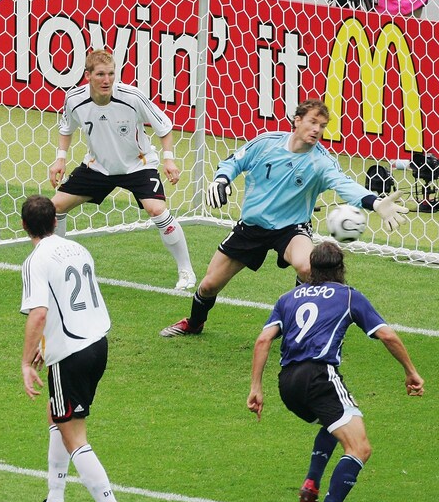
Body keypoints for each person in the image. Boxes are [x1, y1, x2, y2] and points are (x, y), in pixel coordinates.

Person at [160, 98, 409, 337]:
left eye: (322, 126)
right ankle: (194, 324)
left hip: (291, 229)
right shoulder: (266, 143)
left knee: (307, 267)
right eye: (312, 122)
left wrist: (375, 203)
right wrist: (221, 179)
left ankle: (296, 321)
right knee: (208, 286)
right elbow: (233, 162)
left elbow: (345, 186)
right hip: (251, 227)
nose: (317, 130)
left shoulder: (321, 161)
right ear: (297, 120)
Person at [248, 241, 423, 502]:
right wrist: (411, 372)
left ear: (311, 269)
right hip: (319, 376)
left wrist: (256, 387)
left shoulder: (287, 298)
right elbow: (388, 336)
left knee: (335, 423)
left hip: (287, 383)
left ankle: (311, 483)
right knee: (359, 447)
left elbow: (263, 341)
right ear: (341, 268)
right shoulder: (349, 296)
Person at [19, 195, 128, 502]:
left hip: (72, 353)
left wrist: (25, 361)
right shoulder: (78, 250)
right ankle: (54, 501)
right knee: (57, 415)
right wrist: (45, 346)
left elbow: (39, 312)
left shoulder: (35, 260)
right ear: (55, 221)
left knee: (73, 434)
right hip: (97, 342)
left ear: (24, 227)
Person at [49, 49, 195, 291]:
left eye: (111, 74)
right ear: (88, 76)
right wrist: (60, 159)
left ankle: (186, 270)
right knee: (55, 207)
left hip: (138, 164)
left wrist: (168, 160)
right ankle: (57, 266)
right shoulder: (74, 99)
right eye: (100, 74)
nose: (107, 80)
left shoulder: (132, 96)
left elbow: (164, 127)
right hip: (98, 167)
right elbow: (66, 128)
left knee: (157, 210)